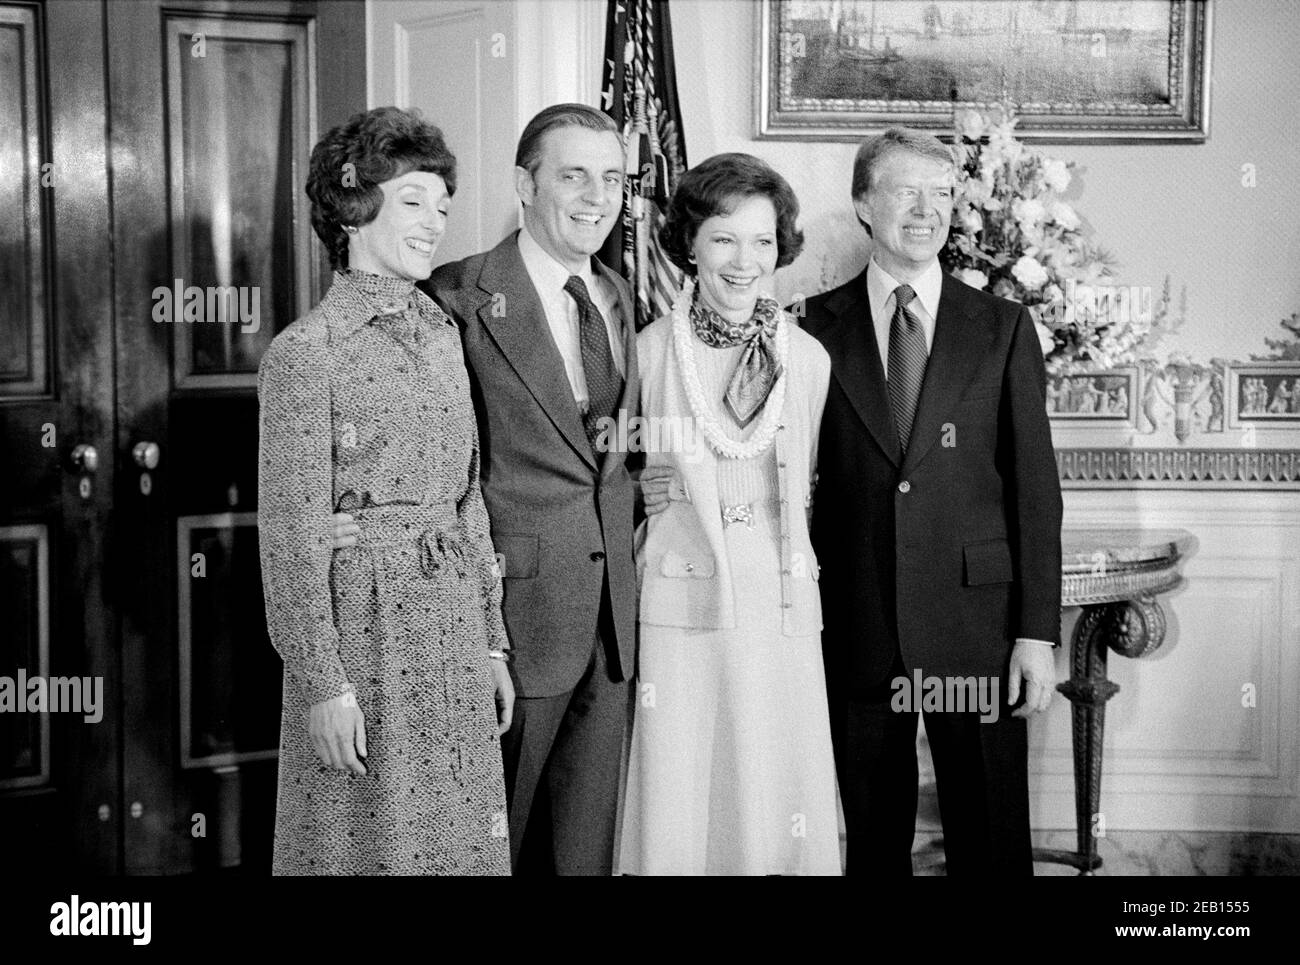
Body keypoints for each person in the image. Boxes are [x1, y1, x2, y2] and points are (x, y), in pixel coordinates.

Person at [257, 106, 512, 876]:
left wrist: (491, 639)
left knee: (460, 843)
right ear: (354, 207)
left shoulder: (442, 331)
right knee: (366, 842)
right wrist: (321, 683)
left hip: (451, 629)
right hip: (363, 631)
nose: (436, 222)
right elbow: (291, 533)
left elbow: (466, 497)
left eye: (443, 204)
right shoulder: (306, 353)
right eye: (413, 202)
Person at [801, 128, 1063, 875]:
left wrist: (1035, 634)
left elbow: (1036, 493)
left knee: (990, 837)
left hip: (978, 624)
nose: (927, 210)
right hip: (858, 621)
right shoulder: (814, 329)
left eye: (942, 193)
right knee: (873, 843)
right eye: (905, 190)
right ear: (862, 203)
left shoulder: (1004, 328)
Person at [421, 104, 638, 875]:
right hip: (509, 623)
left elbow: (611, 459)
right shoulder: (455, 298)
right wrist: (478, 636)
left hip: (613, 628)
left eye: (611, 178)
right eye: (573, 174)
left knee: (583, 852)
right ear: (524, 182)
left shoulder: (622, 296)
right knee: (490, 846)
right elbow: (439, 485)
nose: (596, 195)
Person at [624, 153, 841, 875]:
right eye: (723, 238)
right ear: (689, 243)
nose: (743, 261)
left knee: (774, 800)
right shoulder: (647, 352)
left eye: (761, 241)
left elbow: (820, 485)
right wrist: (637, 491)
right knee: (687, 800)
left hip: (779, 609)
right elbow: (607, 475)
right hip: (682, 609)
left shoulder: (807, 359)